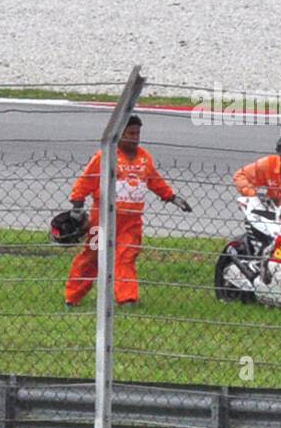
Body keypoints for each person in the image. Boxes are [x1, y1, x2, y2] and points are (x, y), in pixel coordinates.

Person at [64, 115, 192, 306]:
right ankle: (72, 297)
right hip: (103, 220)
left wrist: (171, 197)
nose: (135, 137)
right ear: (119, 134)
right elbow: (86, 180)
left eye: (137, 133)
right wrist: (77, 204)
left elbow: (154, 180)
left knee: (126, 256)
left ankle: (127, 298)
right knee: (92, 257)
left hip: (131, 222)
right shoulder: (106, 156)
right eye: (130, 133)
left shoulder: (144, 157)